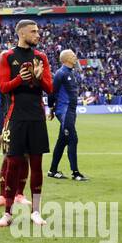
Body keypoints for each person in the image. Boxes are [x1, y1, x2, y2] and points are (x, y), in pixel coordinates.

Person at [0, 20, 53, 229]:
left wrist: (38, 79)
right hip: (15, 118)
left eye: (38, 30)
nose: (38, 34)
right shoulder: (7, 57)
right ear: (21, 33)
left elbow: (49, 88)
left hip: (37, 118)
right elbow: (3, 87)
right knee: (13, 165)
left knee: (37, 166)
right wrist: (20, 78)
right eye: (33, 31)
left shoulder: (41, 57)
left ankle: (36, 211)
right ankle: (8, 213)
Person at [47, 48, 84, 181]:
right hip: (64, 111)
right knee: (73, 139)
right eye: (73, 55)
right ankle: (75, 173)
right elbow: (51, 92)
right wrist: (50, 109)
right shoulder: (60, 73)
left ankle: (52, 170)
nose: (75, 57)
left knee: (62, 141)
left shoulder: (71, 72)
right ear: (66, 59)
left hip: (70, 111)